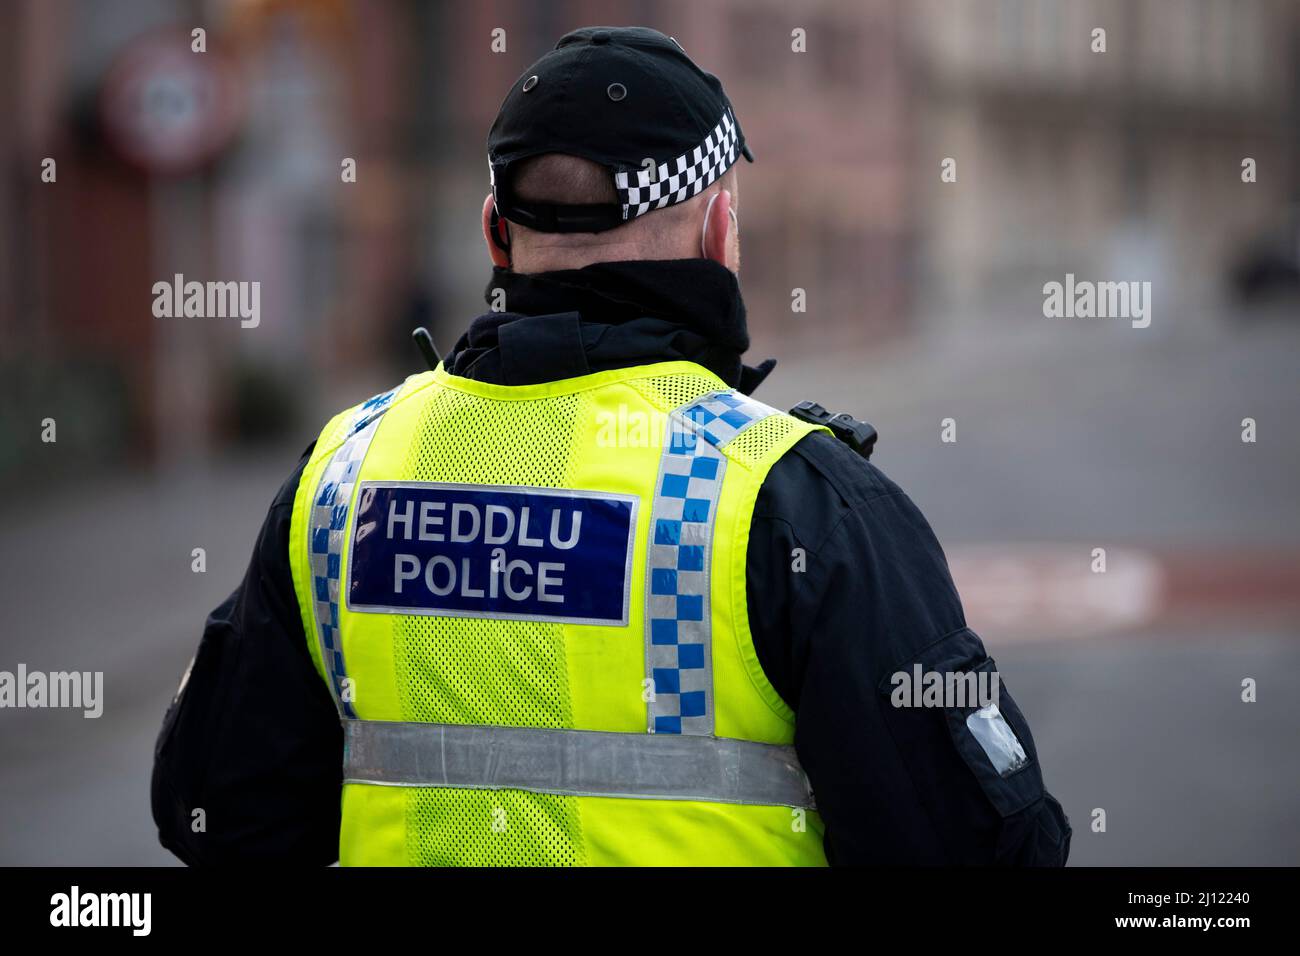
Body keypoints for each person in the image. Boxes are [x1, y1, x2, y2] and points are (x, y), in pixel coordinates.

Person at [152, 26, 1070, 866]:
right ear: (719, 230)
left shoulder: (340, 478)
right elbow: (984, 849)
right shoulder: (794, 506)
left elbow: (217, 813)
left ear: (493, 231)